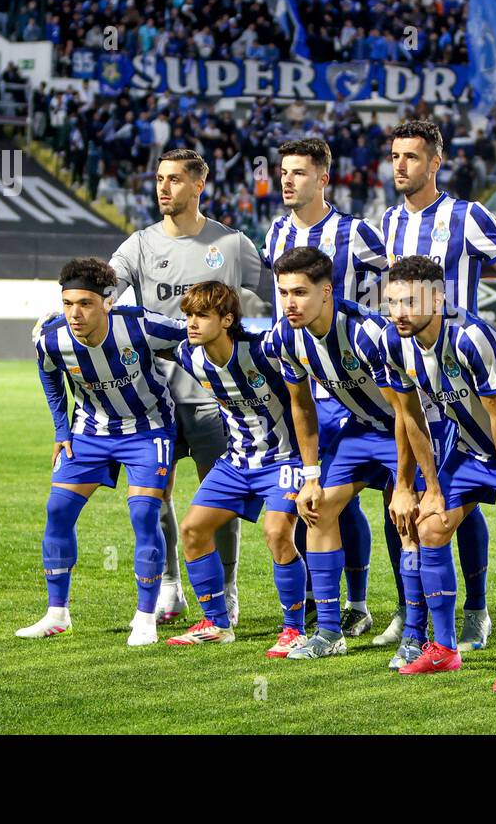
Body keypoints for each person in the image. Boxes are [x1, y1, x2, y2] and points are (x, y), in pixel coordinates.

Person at [105, 148, 276, 627]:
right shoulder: (139, 245)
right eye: (159, 178)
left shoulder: (233, 244)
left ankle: (226, 588)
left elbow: (279, 298)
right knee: (153, 495)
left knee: (216, 498)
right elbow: (106, 293)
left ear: (199, 185)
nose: (163, 188)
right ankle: (170, 587)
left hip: (213, 400)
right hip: (152, 400)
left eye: (175, 180)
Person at [377, 119, 496, 649]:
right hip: (418, 372)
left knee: (472, 498)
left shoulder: (466, 216)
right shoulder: (388, 222)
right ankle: (410, 612)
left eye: (411, 157)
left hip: (466, 372)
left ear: (435, 163)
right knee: (411, 498)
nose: (401, 166)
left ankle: (477, 609)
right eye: (395, 156)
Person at [270, 246, 438, 666]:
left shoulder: (367, 334)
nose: (290, 303)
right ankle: (329, 631)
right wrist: (311, 474)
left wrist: (401, 484)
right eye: (284, 292)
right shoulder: (285, 336)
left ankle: (416, 633)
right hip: (361, 430)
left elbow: (406, 411)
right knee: (319, 508)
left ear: (326, 292)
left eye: (300, 292)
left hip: (410, 429)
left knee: (408, 521)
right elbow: (302, 407)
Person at [19, 257, 188, 647]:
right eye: (68, 304)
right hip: (90, 432)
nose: (75, 314)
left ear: (107, 302)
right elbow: (47, 373)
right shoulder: (52, 339)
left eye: (85, 303)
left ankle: (146, 617)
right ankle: (57, 614)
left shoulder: (140, 324)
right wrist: (61, 429)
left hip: (148, 429)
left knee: (145, 514)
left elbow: (192, 334)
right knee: (57, 510)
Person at [261, 138, 388, 638]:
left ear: (322, 179)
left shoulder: (356, 233)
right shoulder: (274, 233)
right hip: (305, 383)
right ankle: (326, 609)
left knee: (391, 504)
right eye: (282, 172)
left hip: (363, 385)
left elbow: (390, 284)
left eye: (297, 172)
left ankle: (376, 607)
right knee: (323, 501)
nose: (287, 180)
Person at [381, 256, 496, 674]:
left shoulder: (470, 337)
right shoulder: (395, 343)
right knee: (429, 525)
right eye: (392, 302)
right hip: (466, 451)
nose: (398, 313)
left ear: (438, 299)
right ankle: (443, 649)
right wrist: (432, 488)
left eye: (409, 302)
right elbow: (411, 418)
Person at [163, 282, 307, 657]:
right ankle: (216, 622)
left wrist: (312, 466)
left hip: (284, 460)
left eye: (202, 316)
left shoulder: (263, 352)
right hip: (237, 463)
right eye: (189, 315)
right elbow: (147, 330)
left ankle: (294, 630)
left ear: (227, 320)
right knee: (193, 530)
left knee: (277, 534)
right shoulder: (188, 354)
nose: (191, 324)